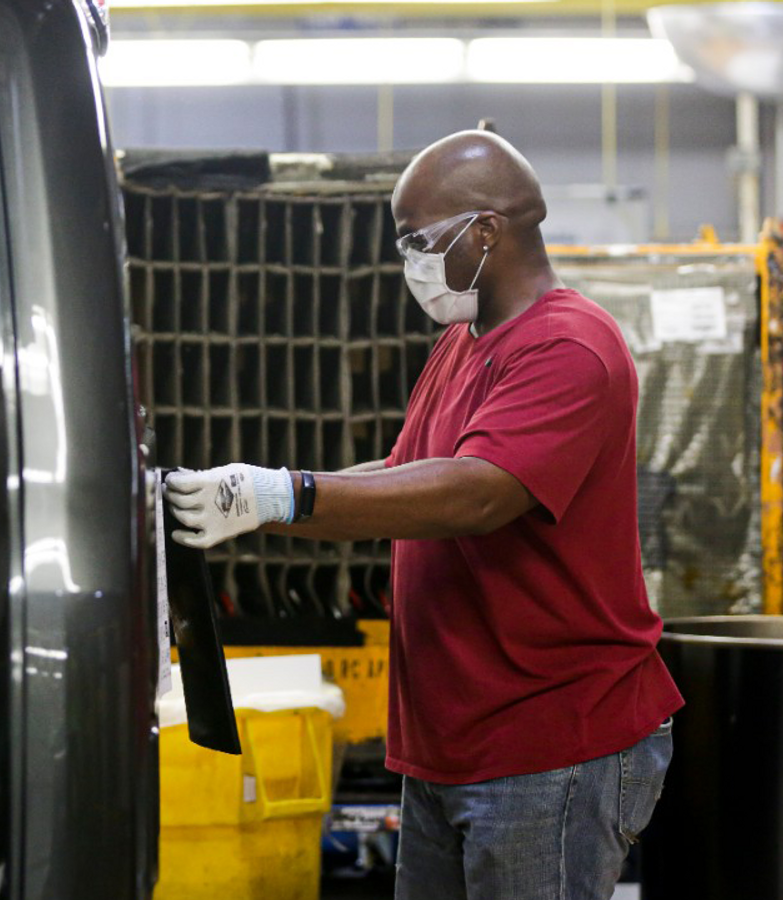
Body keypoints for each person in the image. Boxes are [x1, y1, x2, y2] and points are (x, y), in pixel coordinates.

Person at [164, 130, 683, 900]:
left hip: (548, 742)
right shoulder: (462, 342)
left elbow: (477, 493)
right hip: (453, 736)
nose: (408, 261)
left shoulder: (571, 347)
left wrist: (285, 493)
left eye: (416, 241)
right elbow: (409, 473)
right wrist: (260, 502)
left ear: (484, 232)